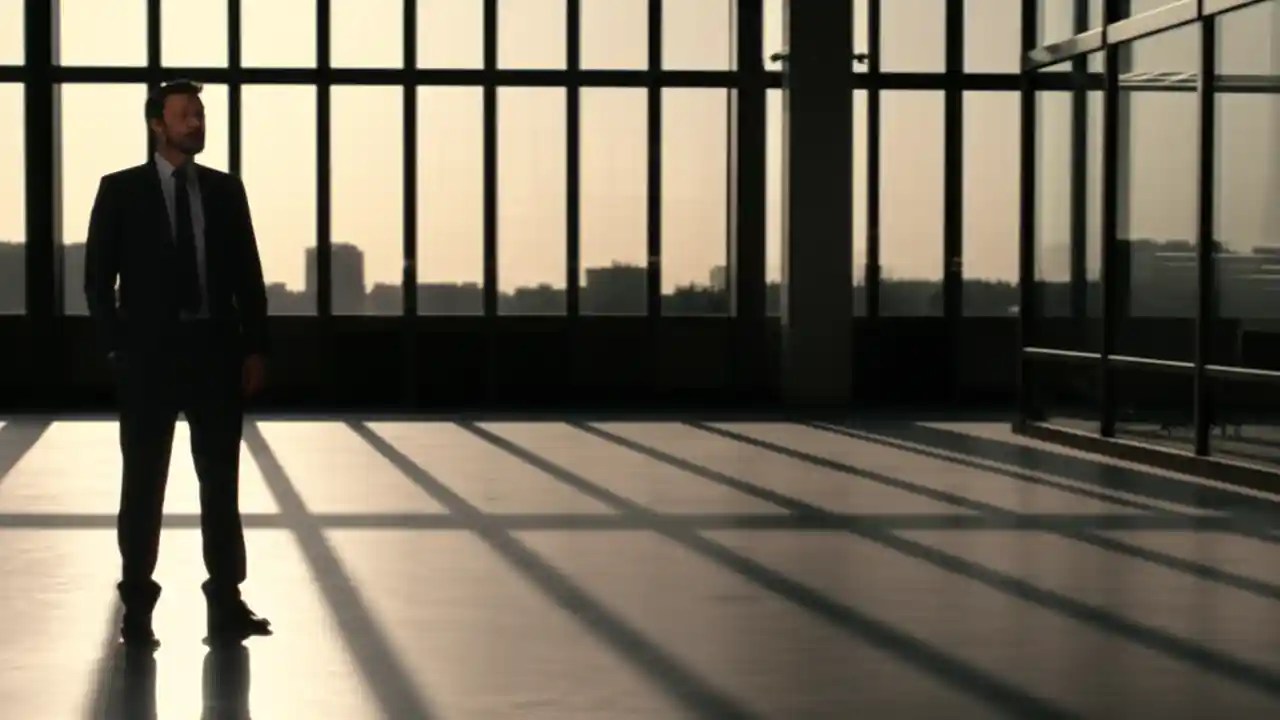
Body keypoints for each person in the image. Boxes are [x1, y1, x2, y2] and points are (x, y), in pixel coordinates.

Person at [84, 78, 272, 649]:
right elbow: (98, 280)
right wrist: (117, 348)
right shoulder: (120, 190)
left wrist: (255, 348)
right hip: (149, 359)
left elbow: (249, 276)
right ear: (156, 124)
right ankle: (137, 606)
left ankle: (227, 599)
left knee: (221, 482)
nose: (196, 122)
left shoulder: (225, 190)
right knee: (143, 484)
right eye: (185, 114)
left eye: (200, 114)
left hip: (215, 353)